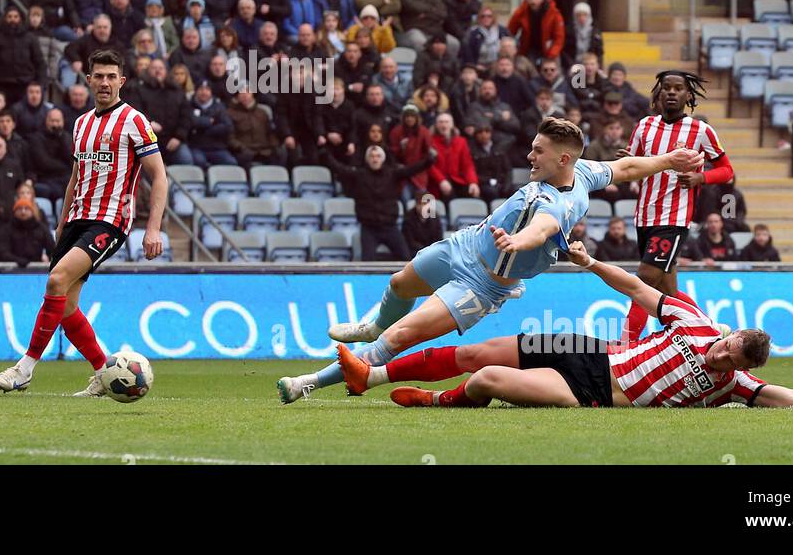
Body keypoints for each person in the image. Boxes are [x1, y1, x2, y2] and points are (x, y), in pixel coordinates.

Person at [275, 117, 703, 403]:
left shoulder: (563, 204)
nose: (530, 157)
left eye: (538, 151)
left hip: (481, 286)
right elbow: (626, 169)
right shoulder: (586, 172)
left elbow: (544, 227)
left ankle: (309, 383)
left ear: (562, 158)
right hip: (466, 244)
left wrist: (517, 243)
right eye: (533, 148)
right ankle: (372, 323)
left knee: (399, 340)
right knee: (399, 285)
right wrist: (669, 160)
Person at [357, 241, 793, 411]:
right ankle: (371, 373)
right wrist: (592, 264)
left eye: (729, 361)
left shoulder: (735, 386)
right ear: (728, 333)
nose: (720, 358)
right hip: (594, 351)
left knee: (483, 382)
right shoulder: (693, 320)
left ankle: (443, 403)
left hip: (592, 391)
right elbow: (639, 289)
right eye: (726, 348)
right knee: (481, 351)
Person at [0, 50, 167, 398]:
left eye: (111, 76)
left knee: (56, 280)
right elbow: (75, 177)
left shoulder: (134, 121)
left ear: (121, 81)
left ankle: (24, 369)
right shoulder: (82, 123)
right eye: (98, 76)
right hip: (74, 221)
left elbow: (158, 175)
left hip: (109, 221)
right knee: (66, 306)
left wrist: (154, 227)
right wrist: (60, 223)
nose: (104, 82)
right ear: (88, 80)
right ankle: (103, 372)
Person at [620, 71, 734, 343]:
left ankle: (624, 346)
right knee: (668, 291)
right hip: (644, 218)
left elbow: (726, 170)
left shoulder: (701, 131)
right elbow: (633, 166)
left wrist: (700, 177)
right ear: (658, 93)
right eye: (666, 88)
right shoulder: (644, 126)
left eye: (678, 88)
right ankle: (711, 330)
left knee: (643, 282)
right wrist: (624, 164)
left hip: (673, 220)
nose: (671, 92)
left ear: (688, 95)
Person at [323, 144, 434, 262]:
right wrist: (326, 156)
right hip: (369, 229)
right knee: (367, 263)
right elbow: (340, 169)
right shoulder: (359, 175)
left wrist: (428, 161)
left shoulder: (392, 174)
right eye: (372, 156)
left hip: (390, 227)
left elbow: (412, 169)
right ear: (367, 159)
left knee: (405, 259)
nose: (375, 159)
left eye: (378, 156)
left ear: (383, 158)